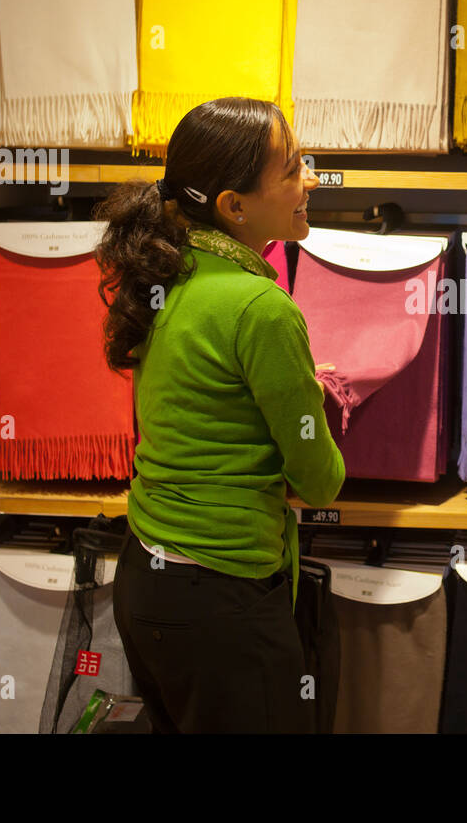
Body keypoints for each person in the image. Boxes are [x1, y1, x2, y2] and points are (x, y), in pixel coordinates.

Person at [95, 97, 343, 733]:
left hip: (147, 581)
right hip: (223, 600)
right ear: (234, 205)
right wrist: (310, 401)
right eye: (291, 170)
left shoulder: (168, 273)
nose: (309, 179)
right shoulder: (261, 307)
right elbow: (319, 482)